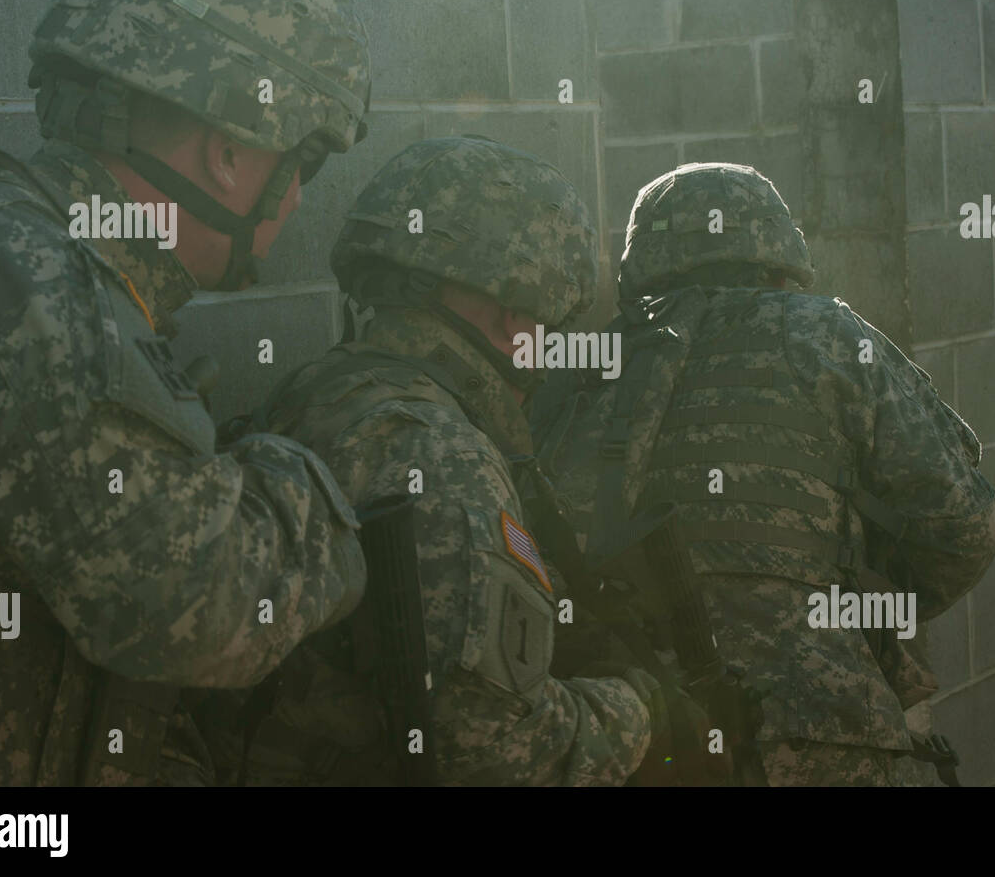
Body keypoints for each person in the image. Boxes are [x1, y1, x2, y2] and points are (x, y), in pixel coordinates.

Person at [0, 0, 373, 785]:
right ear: (232, 154)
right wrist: (304, 485)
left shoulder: (0, 242)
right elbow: (191, 606)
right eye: (303, 158)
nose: (302, 194)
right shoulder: (25, 272)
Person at [194, 136, 670, 786]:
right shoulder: (442, 449)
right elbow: (499, 752)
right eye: (551, 322)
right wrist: (641, 711)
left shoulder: (312, 393)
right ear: (513, 313)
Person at [531, 162, 995, 785]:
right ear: (781, 254)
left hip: (647, 739)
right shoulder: (825, 334)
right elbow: (964, 529)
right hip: (824, 729)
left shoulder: (592, 366)